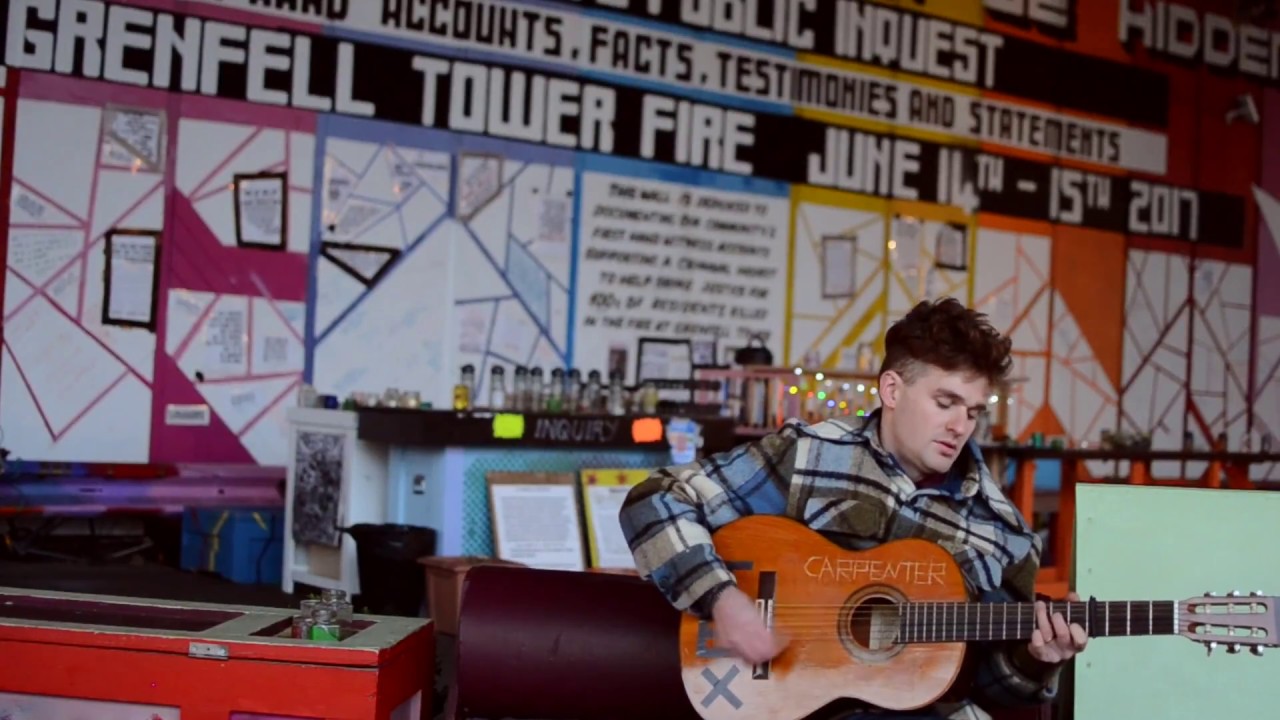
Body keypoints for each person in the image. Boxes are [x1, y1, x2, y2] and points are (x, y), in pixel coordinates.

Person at [619, 297, 1088, 720]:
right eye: (945, 402)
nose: (959, 426)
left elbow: (992, 685)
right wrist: (723, 600)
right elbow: (657, 498)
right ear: (892, 390)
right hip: (789, 703)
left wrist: (1037, 660)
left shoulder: (1005, 531)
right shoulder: (809, 454)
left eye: (972, 412)